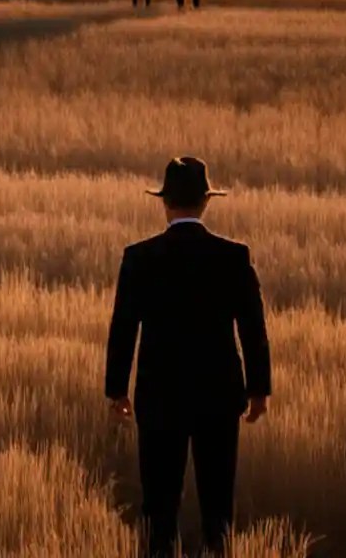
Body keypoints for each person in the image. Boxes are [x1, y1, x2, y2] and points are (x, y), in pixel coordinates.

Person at [105, 156, 272, 557]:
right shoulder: (233, 256)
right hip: (218, 397)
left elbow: (123, 327)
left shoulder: (139, 257)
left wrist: (117, 390)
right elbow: (252, 328)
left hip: (158, 397)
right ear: (205, 202)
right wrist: (258, 391)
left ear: (165, 203)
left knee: (158, 506)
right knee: (218, 507)